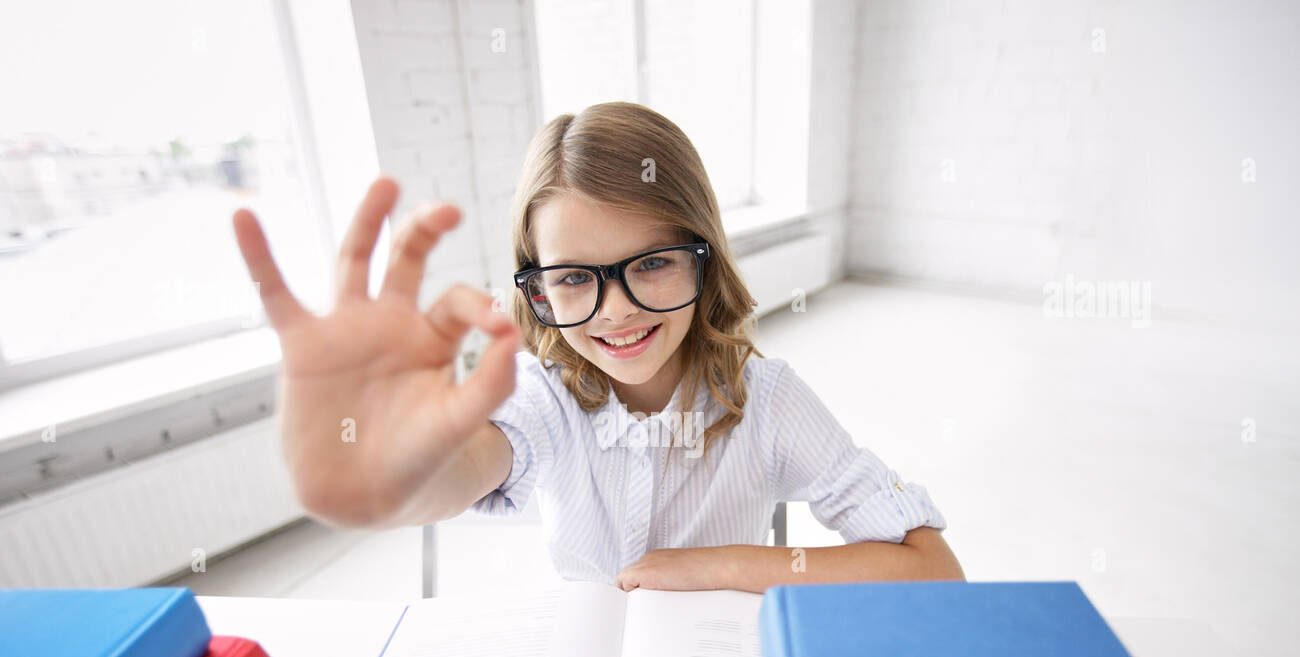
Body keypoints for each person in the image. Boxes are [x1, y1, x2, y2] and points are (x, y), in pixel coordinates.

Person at [231, 101, 963, 592]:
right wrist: (368, 474)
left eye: (651, 263)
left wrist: (717, 567)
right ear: (538, 286)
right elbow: (454, 474)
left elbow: (933, 569)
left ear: (702, 255)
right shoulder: (540, 395)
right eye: (576, 278)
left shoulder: (768, 401)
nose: (616, 313)